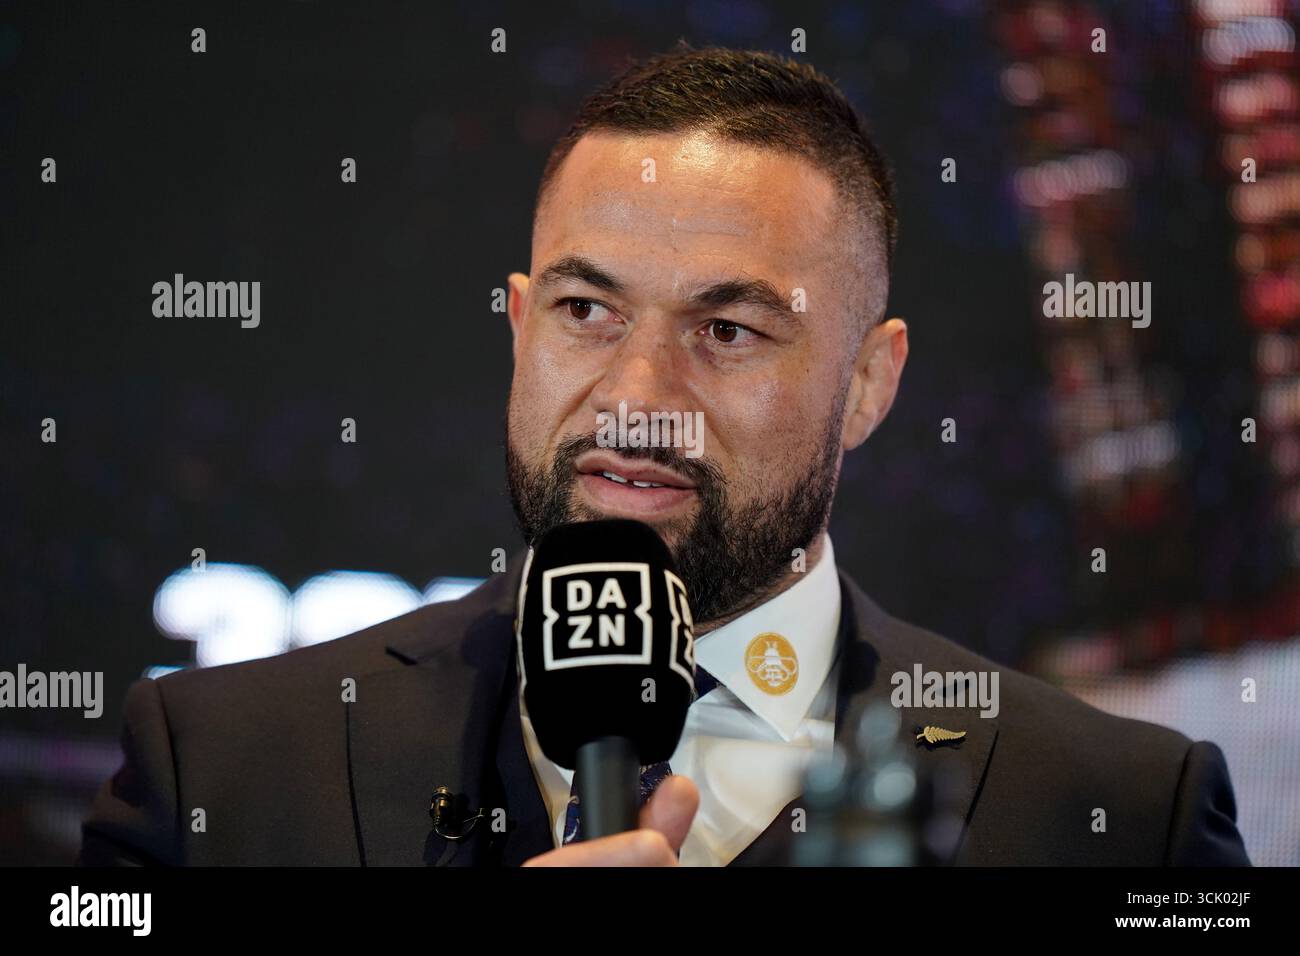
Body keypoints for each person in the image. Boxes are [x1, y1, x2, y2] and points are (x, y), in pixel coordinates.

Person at [78, 44, 1250, 867]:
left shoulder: (1118, 811)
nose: (638, 397)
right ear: (520, 324)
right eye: (588, 313)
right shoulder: (219, 766)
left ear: (868, 383)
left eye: (727, 330)